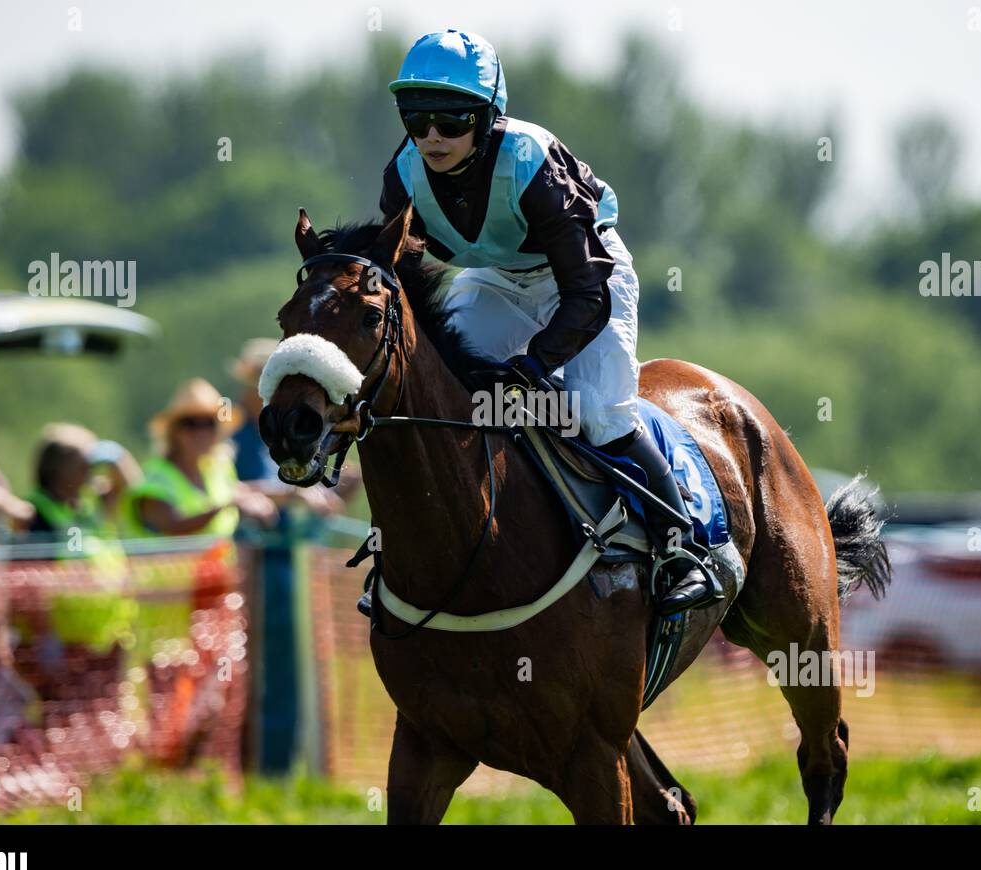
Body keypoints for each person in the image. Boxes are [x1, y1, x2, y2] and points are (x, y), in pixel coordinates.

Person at [377, 29, 710, 612]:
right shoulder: (402, 176)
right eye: (416, 116)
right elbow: (398, 288)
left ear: (487, 116)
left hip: (583, 277)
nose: (432, 136)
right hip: (497, 279)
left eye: (452, 120)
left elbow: (585, 294)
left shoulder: (529, 159)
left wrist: (531, 369)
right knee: (444, 393)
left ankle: (681, 545)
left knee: (599, 412)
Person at [127, 378, 277, 537]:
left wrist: (293, 495)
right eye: (191, 424)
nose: (201, 433)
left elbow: (241, 490)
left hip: (222, 563)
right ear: (175, 432)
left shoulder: (217, 469)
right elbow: (172, 526)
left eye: (209, 424)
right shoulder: (157, 476)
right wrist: (227, 506)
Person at [227, 337, 360, 513]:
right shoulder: (228, 430)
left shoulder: (280, 430)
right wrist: (292, 495)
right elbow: (221, 492)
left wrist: (333, 491)